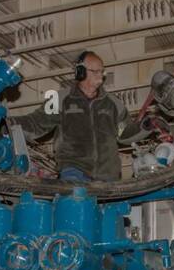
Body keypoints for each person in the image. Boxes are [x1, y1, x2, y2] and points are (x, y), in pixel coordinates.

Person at [12, 50, 143, 182]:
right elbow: (35, 124)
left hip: (108, 177)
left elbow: (124, 133)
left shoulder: (113, 104)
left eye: (101, 72)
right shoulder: (58, 99)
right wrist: (7, 123)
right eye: (95, 72)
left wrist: (146, 126)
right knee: (75, 200)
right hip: (74, 173)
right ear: (80, 72)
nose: (101, 77)